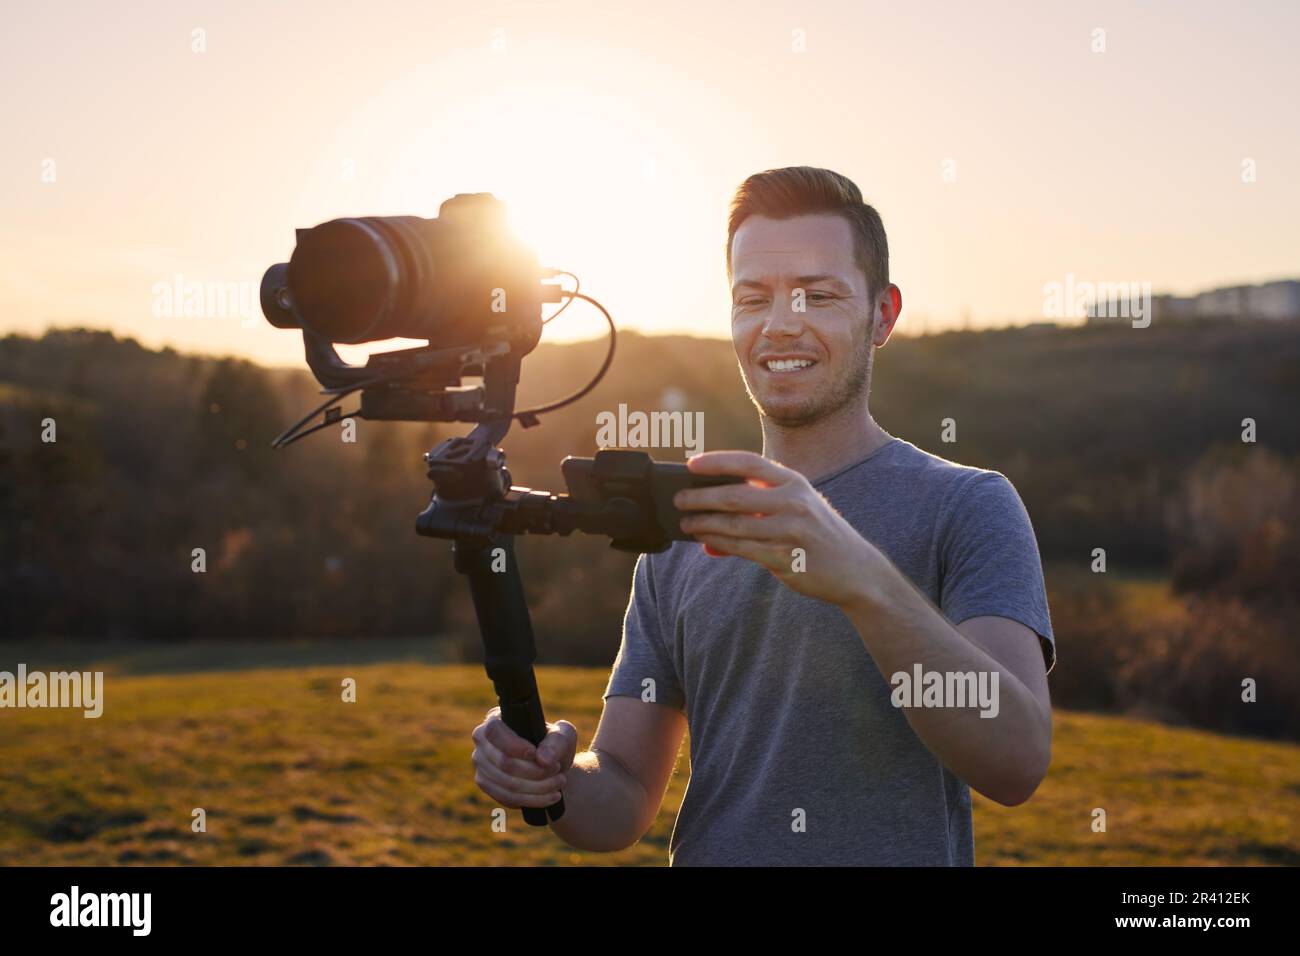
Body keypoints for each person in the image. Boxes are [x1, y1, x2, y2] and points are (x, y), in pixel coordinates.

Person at [470, 166, 1055, 865]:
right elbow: (622, 796)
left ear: (884, 315)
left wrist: (862, 580)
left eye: (819, 294)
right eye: (754, 298)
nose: (782, 323)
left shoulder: (967, 505)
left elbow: (1016, 762)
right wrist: (553, 776)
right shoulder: (684, 528)